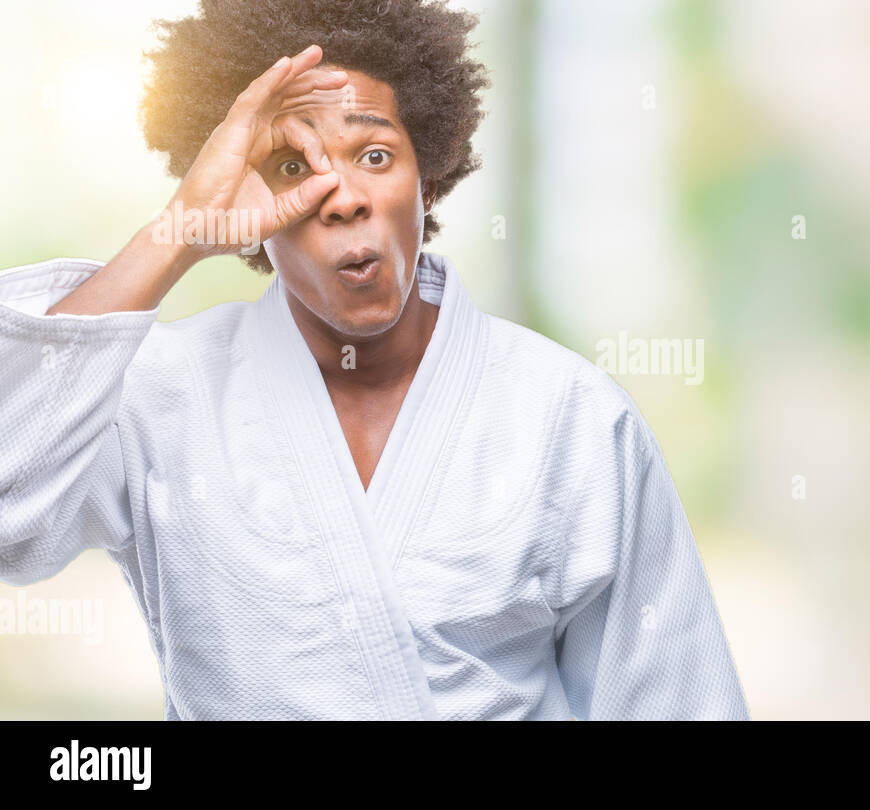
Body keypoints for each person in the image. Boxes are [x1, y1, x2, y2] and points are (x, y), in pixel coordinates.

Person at [0, 0, 748, 721]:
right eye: (292, 168)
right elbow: (11, 516)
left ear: (428, 178)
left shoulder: (571, 418)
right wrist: (182, 230)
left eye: (377, 155)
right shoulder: (158, 397)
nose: (342, 196)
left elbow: (676, 700)